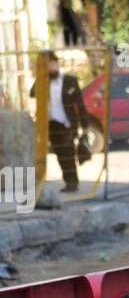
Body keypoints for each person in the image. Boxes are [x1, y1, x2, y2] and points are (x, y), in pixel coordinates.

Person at [30, 52, 87, 193]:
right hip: (51, 124)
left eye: (52, 63)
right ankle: (68, 182)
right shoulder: (43, 81)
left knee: (68, 153)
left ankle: (72, 182)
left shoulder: (70, 81)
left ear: (57, 63)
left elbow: (80, 105)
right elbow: (32, 93)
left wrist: (84, 126)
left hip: (66, 123)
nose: (50, 67)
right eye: (47, 65)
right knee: (60, 154)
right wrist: (40, 77)